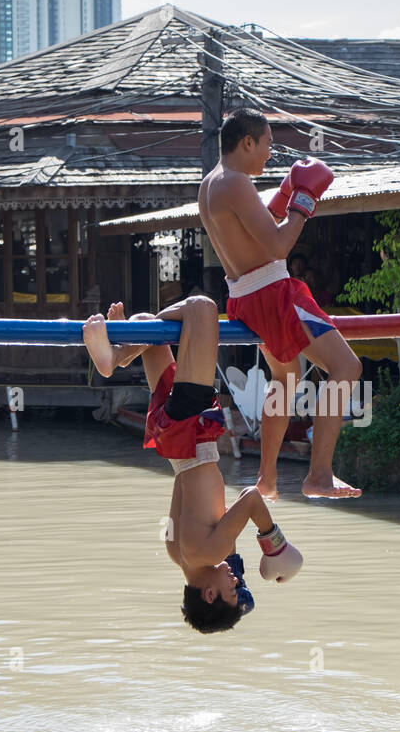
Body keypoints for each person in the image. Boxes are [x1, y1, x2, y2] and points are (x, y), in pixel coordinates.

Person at [82, 296, 302, 632]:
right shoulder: (175, 552)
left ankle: (110, 362)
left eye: (234, 589)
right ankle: (119, 356)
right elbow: (180, 487)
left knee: (203, 308)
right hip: (174, 443)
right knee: (149, 326)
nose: (236, 580)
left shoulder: (208, 550)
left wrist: (275, 545)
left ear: (210, 595)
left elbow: (252, 499)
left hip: (192, 430)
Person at [198, 107, 362, 500]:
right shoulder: (236, 182)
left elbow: (258, 228)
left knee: (285, 379)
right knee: (346, 366)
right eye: (268, 143)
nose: (270, 153)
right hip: (274, 293)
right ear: (248, 141)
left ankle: (267, 478)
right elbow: (276, 245)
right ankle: (319, 474)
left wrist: (288, 194)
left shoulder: (211, 184)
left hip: (245, 297)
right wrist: (303, 202)